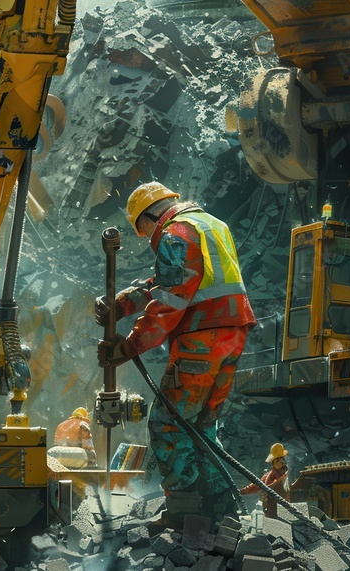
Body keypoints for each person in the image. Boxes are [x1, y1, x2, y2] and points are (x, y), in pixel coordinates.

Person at [95, 181, 256, 524]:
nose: (147, 238)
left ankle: (184, 512)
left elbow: (170, 298)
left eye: (142, 230)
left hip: (202, 337)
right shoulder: (212, 225)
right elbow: (178, 280)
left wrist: (129, 346)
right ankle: (218, 507)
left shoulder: (175, 233)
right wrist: (123, 304)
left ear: (151, 219)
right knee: (201, 423)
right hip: (233, 334)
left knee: (168, 423)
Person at [239, 443, 290, 518]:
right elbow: (257, 485)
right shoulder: (268, 475)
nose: (282, 462)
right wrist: (241, 491)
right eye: (275, 461)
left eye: (281, 460)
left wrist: (268, 488)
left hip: (285, 507)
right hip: (271, 509)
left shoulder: (287, 474)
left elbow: (280, 483)